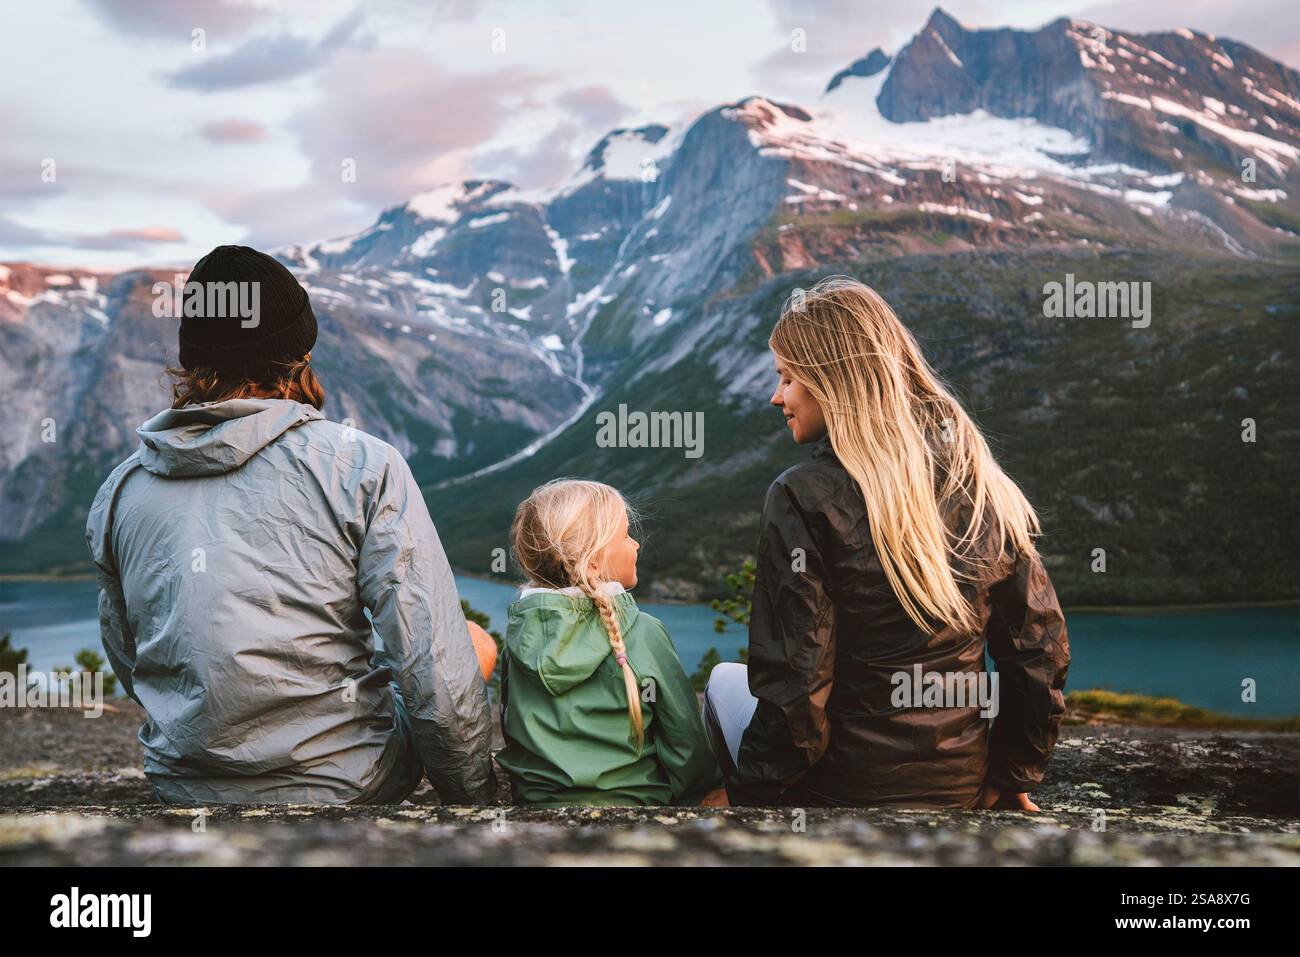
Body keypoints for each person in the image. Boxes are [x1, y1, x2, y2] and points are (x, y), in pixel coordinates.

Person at [84, 244, 497, 805]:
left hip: (182, 783)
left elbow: (129, 656)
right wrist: (472, 801)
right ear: (298, 352)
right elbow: (430, 663)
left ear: (192, 358)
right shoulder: (363, 465)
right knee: (472, 641)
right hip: (342, 780)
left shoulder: (122, 488)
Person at [704, 276, 1070, 810]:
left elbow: (798, 683)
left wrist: (748, 797)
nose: (775, 396)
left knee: (721, 682)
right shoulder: (979, 480)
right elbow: (1038, 647)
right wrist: (1013, 772)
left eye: (787, 378)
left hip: (839, 787)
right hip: (957, 786)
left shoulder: (801, 496)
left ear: (831, 382)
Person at [496, 479, 726, 806]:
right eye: (625, 535)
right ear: (592, 561)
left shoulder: (520, 638)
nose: (636, 544)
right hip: (637, 809)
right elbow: (685, 744)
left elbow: (512, 728)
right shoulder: (644, 633)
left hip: (537, 807)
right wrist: (703, 789)